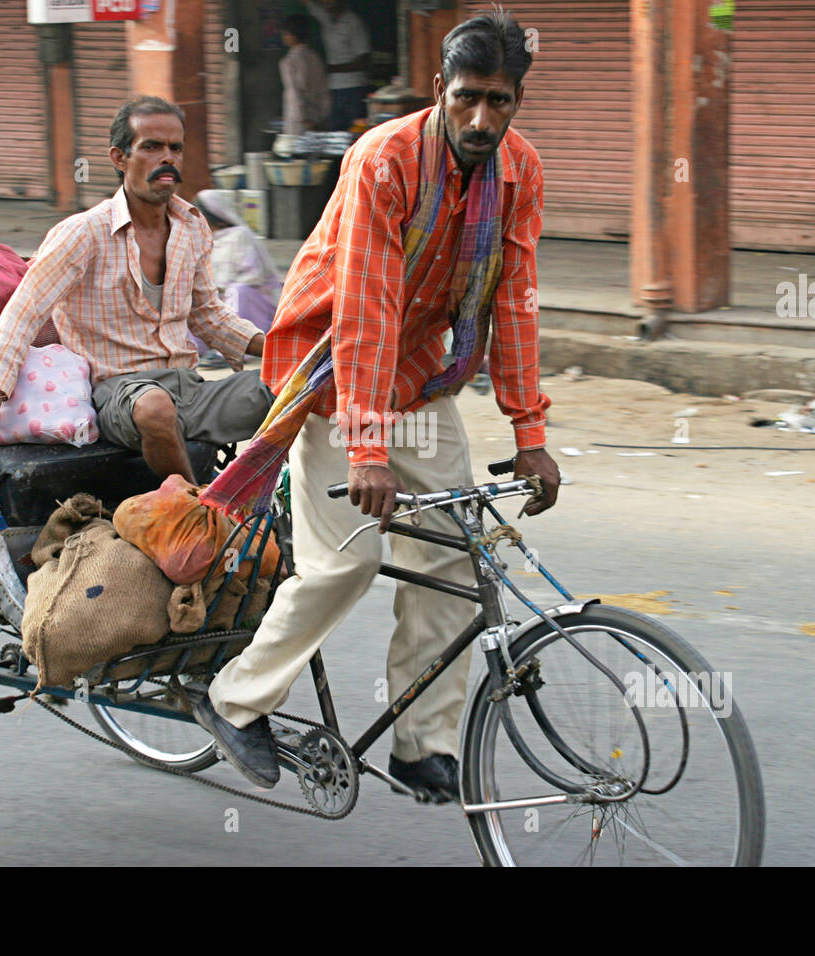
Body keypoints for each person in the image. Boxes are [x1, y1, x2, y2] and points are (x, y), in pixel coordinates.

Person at [192, 9, 560, 801]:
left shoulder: (520, 173)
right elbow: (365, 310)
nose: (481, 118)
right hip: (331, 376)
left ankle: (421, 745)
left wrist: (530, 432)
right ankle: (236, 700)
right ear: (439, 91)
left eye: (499, 101)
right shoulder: (383, 159)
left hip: (422, 376)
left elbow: (516, 303)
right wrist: (365, 448)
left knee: (453, 560)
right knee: (347, 562)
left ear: (517, 102)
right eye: (467, 98)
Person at [0, 97, 274, 483]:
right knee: (154, 408)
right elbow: (22, 316)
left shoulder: (192, 227)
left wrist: (286, 348)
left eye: (175, 148)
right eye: (151, 147)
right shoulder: (83, 233)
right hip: (120, 395)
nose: (167, 158)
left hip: (191, 390)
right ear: (119, 158)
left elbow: (208, 315)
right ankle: (196, 509)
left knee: (303, 382)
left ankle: (282, 510)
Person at [189, 190, 283, 368]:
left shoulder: (240, 235)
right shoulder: (200, 240)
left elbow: (254, 275)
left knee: (238, 290)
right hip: (218, 298)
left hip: (251, 298)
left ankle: (232, 348)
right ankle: (196, 347)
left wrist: (221, 289)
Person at [304, 0, 372, 131]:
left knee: (354, 131)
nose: (326, 3)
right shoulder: (326, 18)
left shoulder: (353, 22)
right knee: (336, 132)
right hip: (334, 88)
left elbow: (363, 61)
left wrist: (332, 69)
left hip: (353, 87)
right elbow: (309, 4)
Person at [279, 14, 330, 137]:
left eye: (284, 33)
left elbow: (294, 94)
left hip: (299, 122)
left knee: (298, 154)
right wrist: (321, 117)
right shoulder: (315, 58)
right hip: (318, 118)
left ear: (290, 35)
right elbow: (324, 91)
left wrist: (304, 119)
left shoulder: (289, 62)